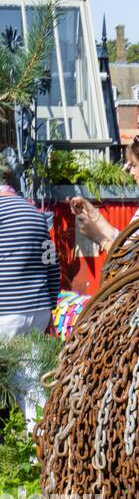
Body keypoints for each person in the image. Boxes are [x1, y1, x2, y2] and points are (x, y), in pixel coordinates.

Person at [0, 149, 61, 428]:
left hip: (5, 311)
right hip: (37, 310)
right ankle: (36, 451)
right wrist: (50, 303)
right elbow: (51, 260)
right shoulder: (36, 215)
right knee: (32, 385)